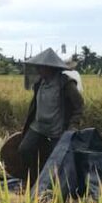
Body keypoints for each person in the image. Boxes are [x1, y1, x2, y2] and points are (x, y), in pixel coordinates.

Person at [18, 48, 84, 185]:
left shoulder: (66, 84)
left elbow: (79, 106)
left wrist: (73, 125)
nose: (38, 70)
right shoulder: (39, 83)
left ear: (50, 68)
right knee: (25, 149)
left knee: (60, 159)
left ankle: (59, 186)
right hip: (38, 126)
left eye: (41, 67)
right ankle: (34, 179)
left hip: (57, 128)